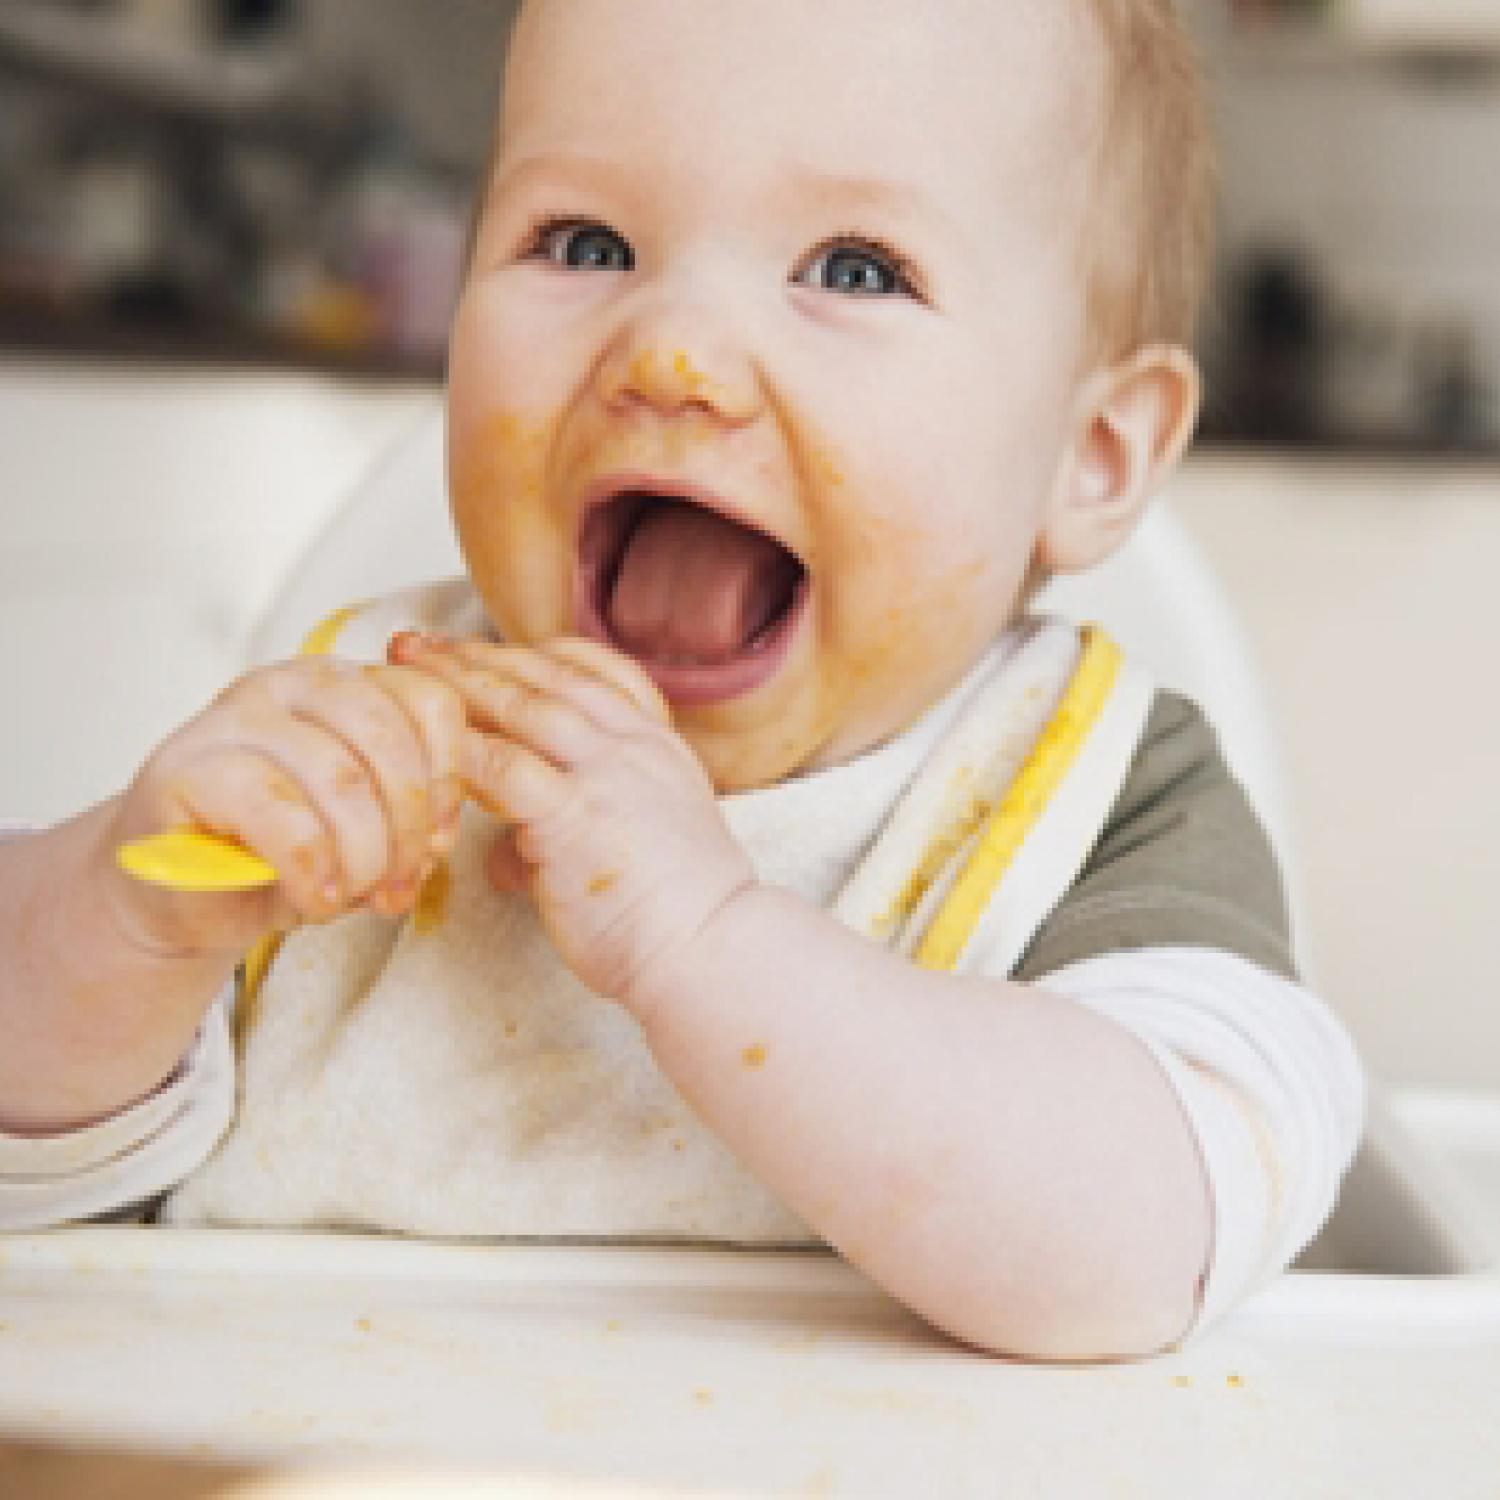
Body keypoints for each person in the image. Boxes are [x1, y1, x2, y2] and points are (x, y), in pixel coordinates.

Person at [0, 0, 1364, 1360]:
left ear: (1097, 453)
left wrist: (702, 938)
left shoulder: (1087, 797)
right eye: (584, 244)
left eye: (853, 268)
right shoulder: (357, 736)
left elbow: (1137, 1249)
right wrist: (119, 921)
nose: (674, 355)